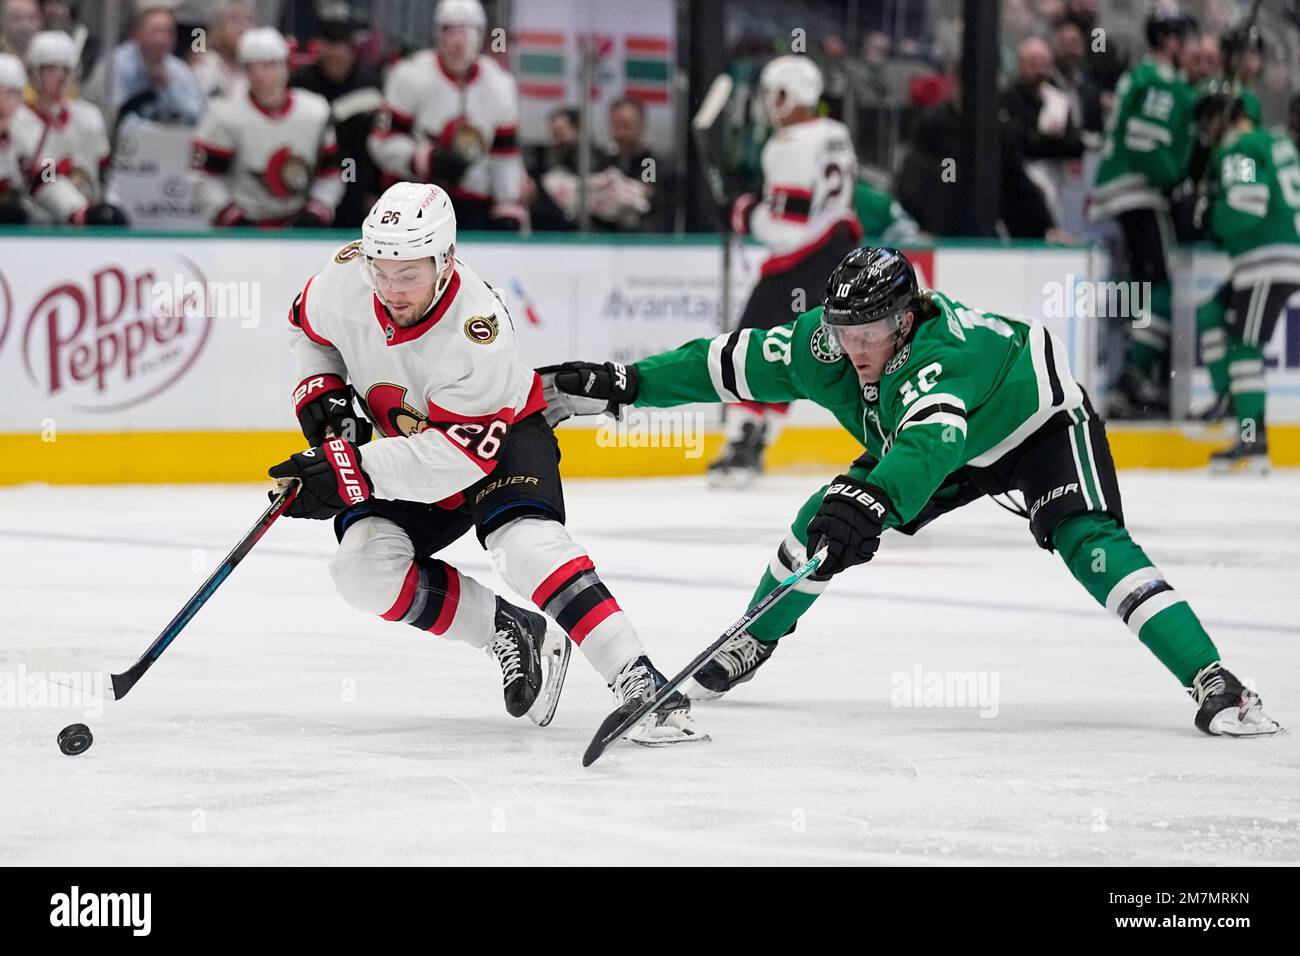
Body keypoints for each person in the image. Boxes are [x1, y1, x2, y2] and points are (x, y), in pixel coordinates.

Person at [540, 247, 1281, 739]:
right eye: (844, 329)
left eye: (874, 330)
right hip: (944, 442)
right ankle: (753, 638)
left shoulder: (940, 358)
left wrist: (872, 504)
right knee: (815, 528)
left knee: (1088, 544)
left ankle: (1217, 682)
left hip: (1039, 423)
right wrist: (620, 386)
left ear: (908, 318)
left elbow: (931, 446)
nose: (856, 347)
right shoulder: (822, 344)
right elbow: (720, 363)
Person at [265, 181, 702, 743]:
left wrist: (353, 471)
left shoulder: (478, 334)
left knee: (524, 549)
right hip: (409, 447)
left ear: (445, 260)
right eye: (381, 270)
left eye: (409, 273)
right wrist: (322, 397)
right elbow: (307, 331)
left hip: (500, 440)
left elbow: (457, 459)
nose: (391, 289)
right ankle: (508, 629)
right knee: (362, 571)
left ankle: (642, 682)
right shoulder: (346, 279)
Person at [710, 54, 861, 486]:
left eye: (772, 94)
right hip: (838, 256)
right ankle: (761, 440)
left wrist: (742, 213)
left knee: (748, 347)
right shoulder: (837, 133)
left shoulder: (787, 145)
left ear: (789, 95)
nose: (767, 105)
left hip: (797, 264)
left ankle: (741, 442)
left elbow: (786, 227)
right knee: (797, 353)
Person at [1088, 5, 1197, 419]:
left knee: (1143, 285)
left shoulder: (1149, 78)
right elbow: (1145, 141)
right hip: (1138, 192)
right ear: (1169, 40)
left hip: (1124, 194)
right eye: (1182, 37)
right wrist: (1176, 183)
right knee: (1160, 285)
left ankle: (1132, 377)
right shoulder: (1160, 81)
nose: (1185, 45)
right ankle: (1133, 376)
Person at [1193, 87, 1300, 472]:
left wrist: (1208, 214)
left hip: (1265, 259)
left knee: (1244, 345)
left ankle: (1253, 440)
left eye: (1210, 117)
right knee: (1210, 314)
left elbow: (1246, 205)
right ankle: (1229, 398)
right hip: (1274, 257)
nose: (1206, 127)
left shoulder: (1241, 148)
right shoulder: (1274, 142)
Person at [368, 0, 525, 231]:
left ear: (481, 34)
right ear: (437, 33)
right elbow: (381, 141)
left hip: (473, 203)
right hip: (413, 199)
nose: (459, 42)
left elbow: (505, 156)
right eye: (450, 30)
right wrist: (425, 159)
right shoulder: (409, 74)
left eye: (468, 30)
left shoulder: (500, 84)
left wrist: (508, 203)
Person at [190, 27, 341, 227]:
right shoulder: (224, 115)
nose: (259, 74)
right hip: (243, 228)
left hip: (299, 227)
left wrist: (318, 209)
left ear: (285, 66)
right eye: (251, 66)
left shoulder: (316, 111)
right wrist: (229, 215)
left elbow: (331, 174)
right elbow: (204, 177)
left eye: (268, 65)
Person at [289, 5, 382, 229]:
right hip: (308, 183)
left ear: (352, 49)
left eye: (342, 45)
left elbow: (379, 143)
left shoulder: (369, 85)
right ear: (319, 46)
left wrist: (376, 191)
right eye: (329, 44)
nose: (335, 53)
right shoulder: (301, 83)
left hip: (357, 184)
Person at [25, 30, 126, 224]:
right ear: (32, 74)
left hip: (91, 219)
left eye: (66, 69)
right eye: (50, 69)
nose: (61, 77)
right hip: (40, 225)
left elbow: (106, 172)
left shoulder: (89, 116)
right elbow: (45, 180)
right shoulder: (18, 121)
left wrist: (110, 208)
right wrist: (79, 212)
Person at [0, 50, 86, 223]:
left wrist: (76, 208)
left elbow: (46, 175)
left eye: (14, 94)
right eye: (3, 92)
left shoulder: (22, 130)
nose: (7, 101)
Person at [87, 5, 205, 126]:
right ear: (137, 34)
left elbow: (196, 115)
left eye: (170, 32)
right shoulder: (115, 64)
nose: (164, 39)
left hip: (166, 140)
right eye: (157, 31)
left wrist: (169, 87)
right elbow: (115, 117)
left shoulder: (178, 68)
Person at [189, 0, 254, 101]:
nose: (242, 26)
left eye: (248, 19)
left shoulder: (254, 68)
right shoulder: (205, 63)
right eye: (234, 19)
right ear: (218, 26)